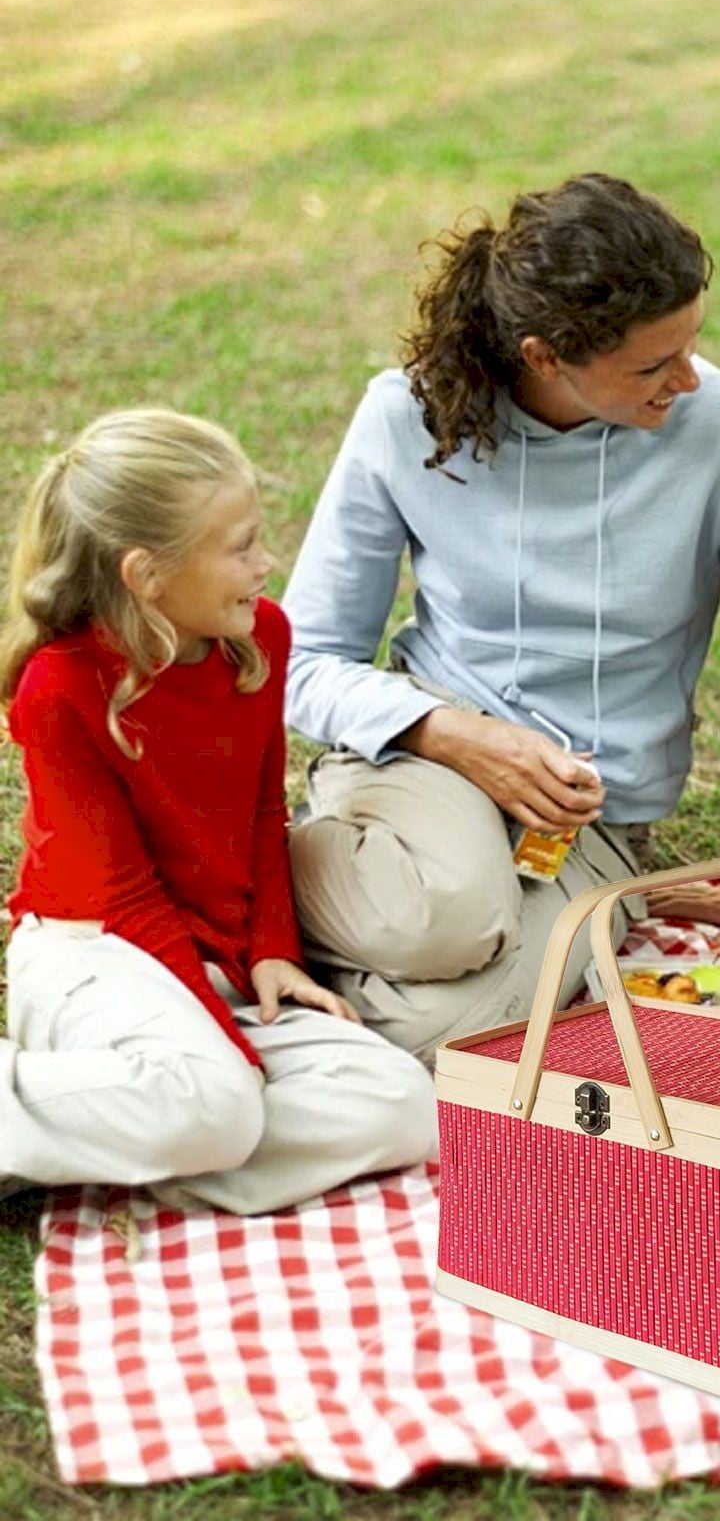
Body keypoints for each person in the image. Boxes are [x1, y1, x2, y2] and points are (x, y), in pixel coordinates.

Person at [283, 174, 720, 1062]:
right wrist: (449, 733)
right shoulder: (406, 417)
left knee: (457, 1038)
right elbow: (302, 661)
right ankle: (245, 892)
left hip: (591, 821)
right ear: (546, 356)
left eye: (691, 344)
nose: (688, 378)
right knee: (449, 916)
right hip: (431, 763)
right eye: (654, 365)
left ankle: (325, 963)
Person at [0, 409, 435, 1212]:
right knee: (217, 1099)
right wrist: (230, 1052)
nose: (266, 564)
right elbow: (122, 896)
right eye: (240, 548)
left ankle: (104, 1139)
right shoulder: (61, 690)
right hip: (95, 950)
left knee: (403, 1103)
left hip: (214, 959)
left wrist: (272, 951)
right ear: (147, 574)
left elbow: (263, 816)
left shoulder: (259, 638)